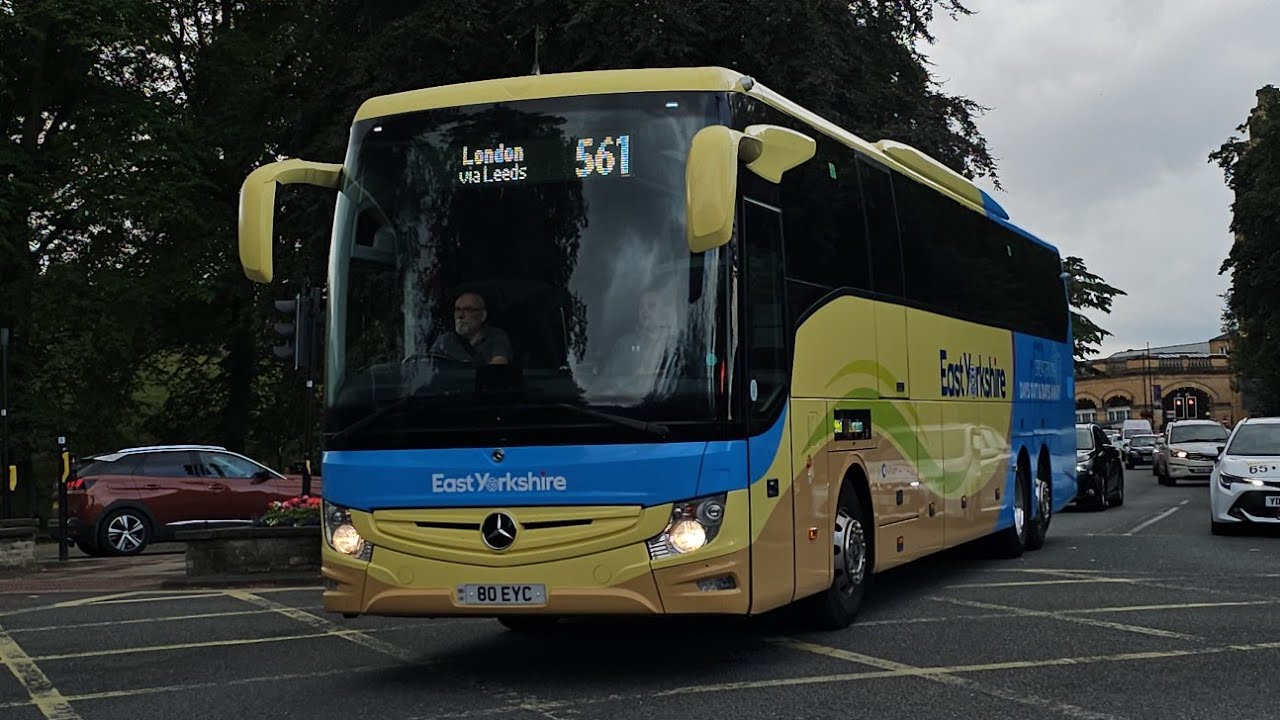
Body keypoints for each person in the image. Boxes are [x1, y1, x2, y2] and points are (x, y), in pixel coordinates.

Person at [429, 291, 511, 365]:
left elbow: (498, 366)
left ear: (483, 315)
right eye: (457, 309)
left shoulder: (496, 336)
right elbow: (429, 366)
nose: (460, 315)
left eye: (468, 310)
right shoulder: (445, 340)